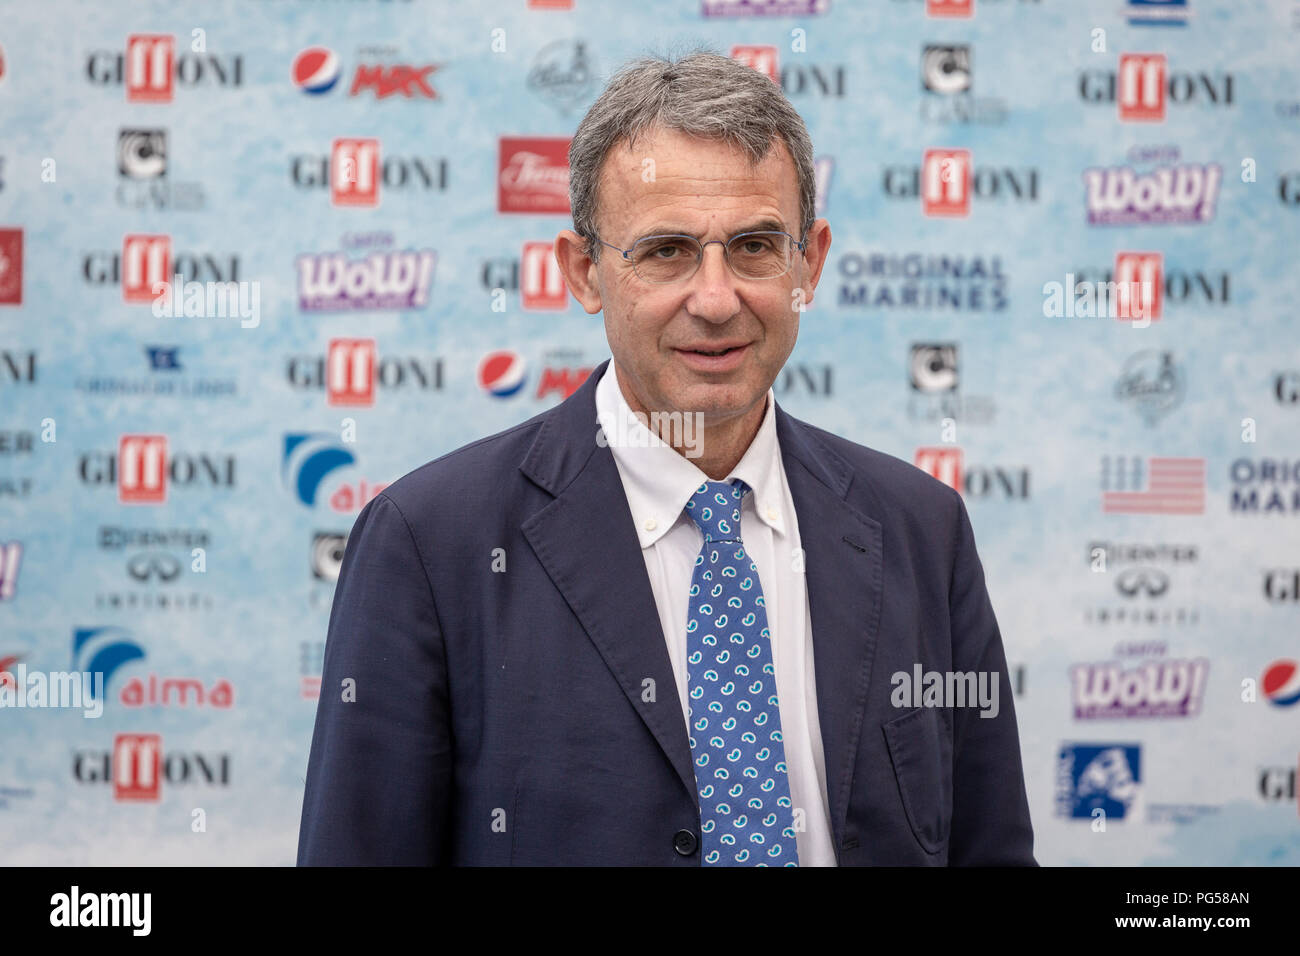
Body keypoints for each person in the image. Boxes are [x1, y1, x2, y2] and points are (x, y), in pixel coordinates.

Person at [297, 49, 1035, 866]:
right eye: (666, 251)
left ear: (809, 263)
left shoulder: (921, 531)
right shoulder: (430, 545)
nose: (716, 300)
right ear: (583, 271)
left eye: (755, 247)